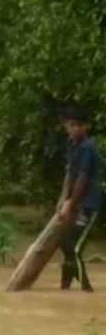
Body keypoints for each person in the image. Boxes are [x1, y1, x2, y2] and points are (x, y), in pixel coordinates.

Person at [57, 106, 101, 292]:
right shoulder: (72, 145)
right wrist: (62, 199)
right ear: (66, 125)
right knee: (64, 242)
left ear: (86, 127)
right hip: (78, 204)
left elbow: (82, 179)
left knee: (73, 248)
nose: (75, 129)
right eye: (72, 125)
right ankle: (65, 289)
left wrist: (70, 203)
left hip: (90, 206)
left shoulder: (87, 147)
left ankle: (87, 291)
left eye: (79, 125)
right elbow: (70, 175)